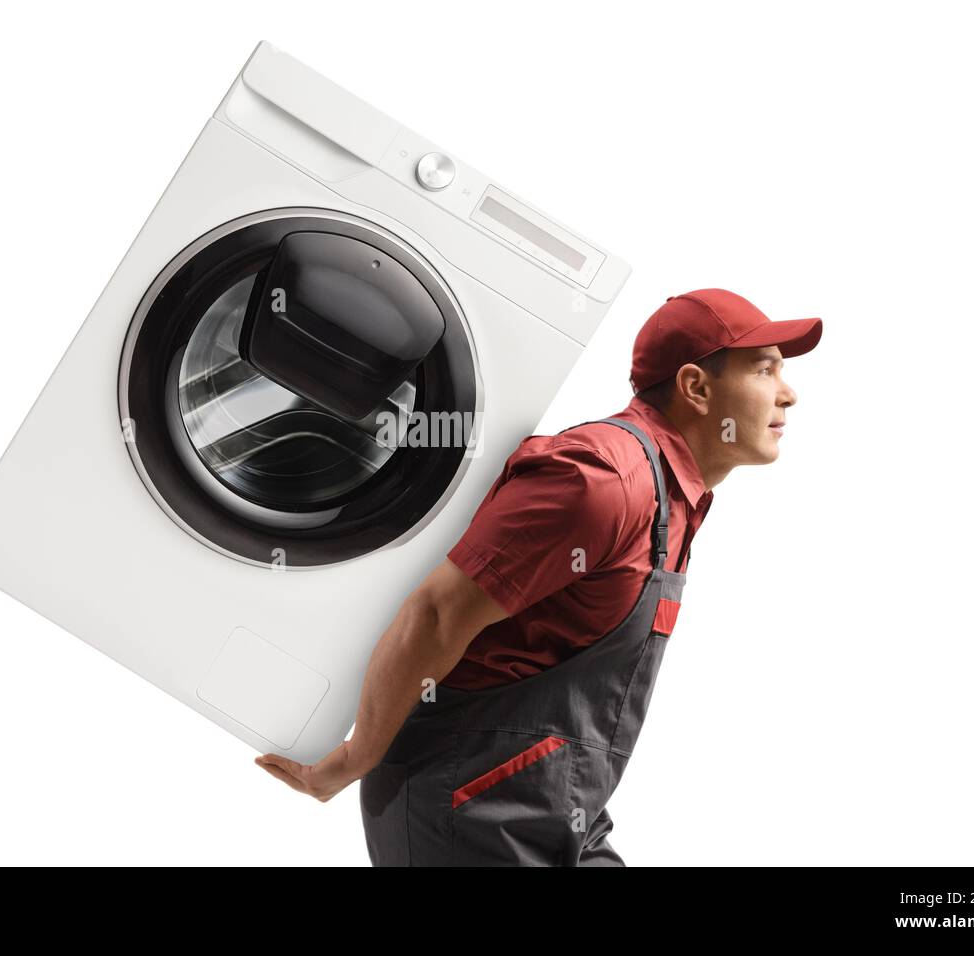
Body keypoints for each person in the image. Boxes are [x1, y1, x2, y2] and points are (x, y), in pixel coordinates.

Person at [254, 288, 823, 866]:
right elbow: (436, 613)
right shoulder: (603, 481)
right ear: (695, 388)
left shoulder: (675, 498)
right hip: (466, 811)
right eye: (765, 369)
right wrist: (355, 757)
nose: (789, 393)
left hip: (560, 804)